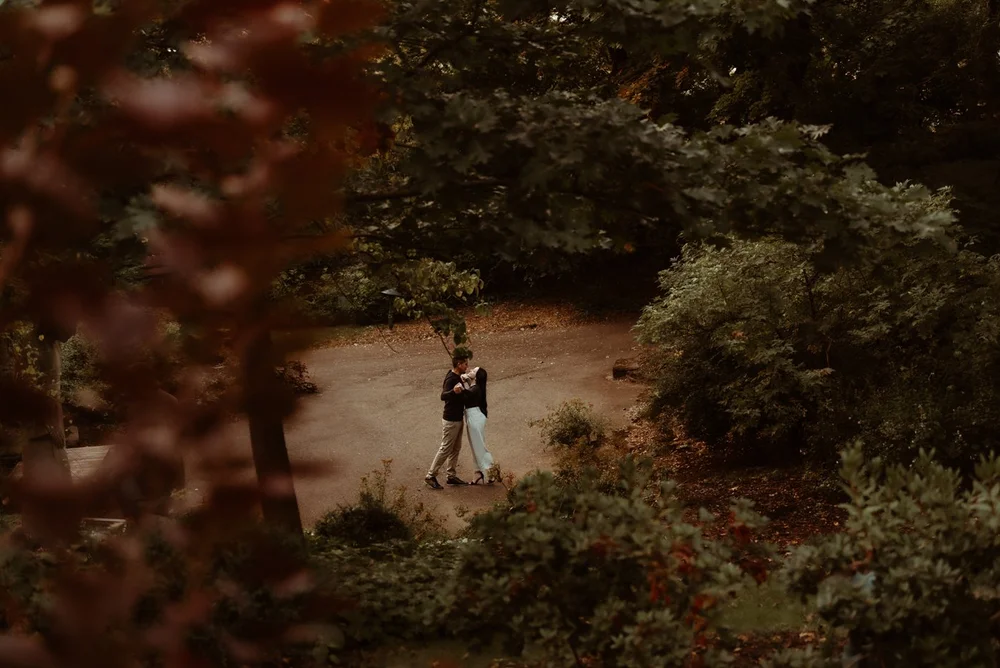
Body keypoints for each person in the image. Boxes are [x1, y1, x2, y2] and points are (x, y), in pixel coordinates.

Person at [425, 353, 470, 489]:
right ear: (458, 365)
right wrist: (453, 392)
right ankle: (430, 475)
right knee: (445, 448)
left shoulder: (458, 377)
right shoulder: (451, 379)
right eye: (465, 364)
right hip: (451, 420)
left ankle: (451, 475)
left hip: (458, 418)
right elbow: (443, 396)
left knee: (456, 448)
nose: (467, 366)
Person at [460, 365, 496, 484]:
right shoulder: (476, 387)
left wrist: (462, 382)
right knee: (476, 446)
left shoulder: (475, 389)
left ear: (477, 376)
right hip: (474, 416)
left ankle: (490, 472)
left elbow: (465, 396)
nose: (470, 370)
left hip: (474, 417)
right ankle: (478, 473)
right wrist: (466, 381)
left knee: (479, 446)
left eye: (473, 371)